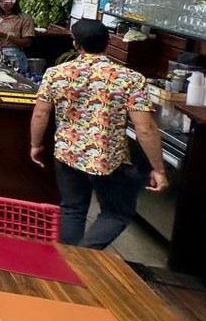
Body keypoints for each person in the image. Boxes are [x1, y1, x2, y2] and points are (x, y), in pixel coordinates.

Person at [29, 19, 168, 249]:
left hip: (67, 152)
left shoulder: (56, 74)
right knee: (117, 213)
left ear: (76, 44)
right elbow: (145, 128)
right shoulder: (130, 79)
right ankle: (85, 256)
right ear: (109, 42)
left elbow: (41, 114)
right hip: (109, 157)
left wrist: (35, 144)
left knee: (72, 208)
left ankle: (70, 261)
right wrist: (159, 169)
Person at [0, 0, 35, 74]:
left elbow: (27, 42)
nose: (5, 3)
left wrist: (7, 37)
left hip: (14, 56)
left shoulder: (24, 18)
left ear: (15, 0)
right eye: (2, 0)